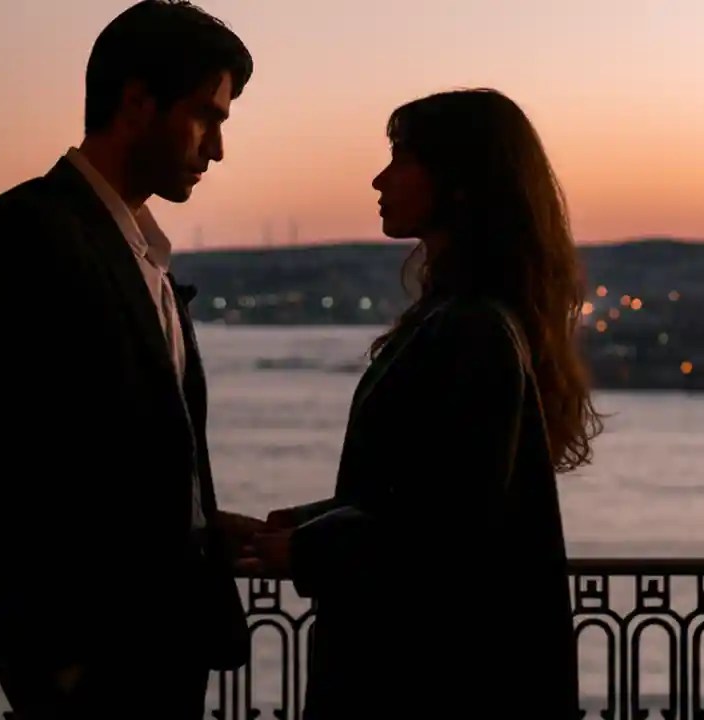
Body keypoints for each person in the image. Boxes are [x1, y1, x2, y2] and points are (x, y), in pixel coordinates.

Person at [0, 2, 263, 717]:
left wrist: (200, 525)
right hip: (91, 660)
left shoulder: (140, 256)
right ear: (137, 102)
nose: (215, 150)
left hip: (152, 646)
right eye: (207, 116)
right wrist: (61, 656)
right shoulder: (23, 236)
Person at [236, 88, 602, 718]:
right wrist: (298, 524)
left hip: (429, 683)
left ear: (460, 181)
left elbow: (453, 533)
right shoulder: (467, 319)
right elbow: (420, 497)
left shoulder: (471, 328)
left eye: (401, 158)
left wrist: (309, 549)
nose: (380, 179)